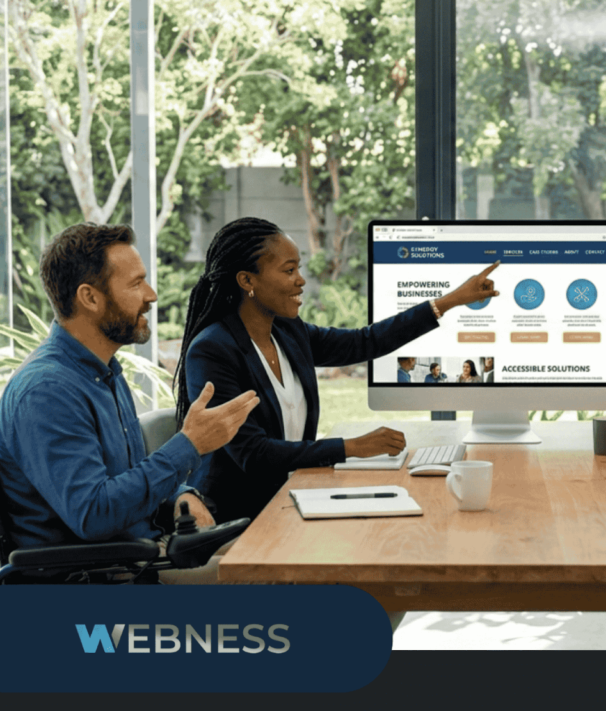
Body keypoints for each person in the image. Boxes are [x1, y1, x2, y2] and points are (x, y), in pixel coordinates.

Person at [176, 217, 499, 524]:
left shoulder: (288, 331)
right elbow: (252, 453)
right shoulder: (212, 350)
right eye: (289, 270)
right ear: (247, 280)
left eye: (299, 268)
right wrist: (351, 447)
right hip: (240, 515)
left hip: (292, 498)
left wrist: (451, 300)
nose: (301, 280)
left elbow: (364, 342)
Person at [0, 223, 259, 581]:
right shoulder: (46, 392)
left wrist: (180, 494)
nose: (151, 295)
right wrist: (190, 445)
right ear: (90, 298)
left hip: (144, 554)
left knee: (280, 550)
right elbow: (94, 513)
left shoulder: (103, 369)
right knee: (274, 577)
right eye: (136, 284)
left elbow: (127, 477)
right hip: (101, 578)